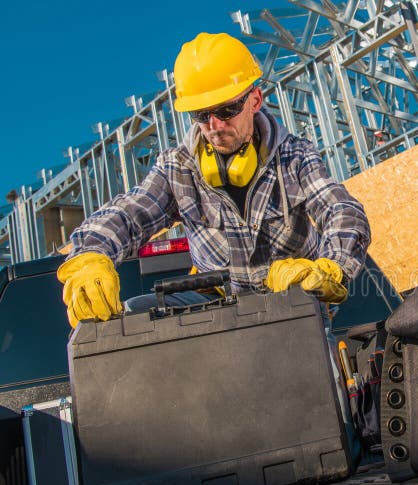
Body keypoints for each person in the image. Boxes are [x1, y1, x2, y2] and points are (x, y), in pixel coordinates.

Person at [56, 32, 371, 325]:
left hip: (295, 307)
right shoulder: (178, 169)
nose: (215, 125)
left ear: (255, 100)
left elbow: (341, 210)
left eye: (227, 109)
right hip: (221, 314)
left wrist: (331, 267)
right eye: (201, 115)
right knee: (138, 315)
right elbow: (128, 215)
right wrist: (91, 256)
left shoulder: (295, 157)